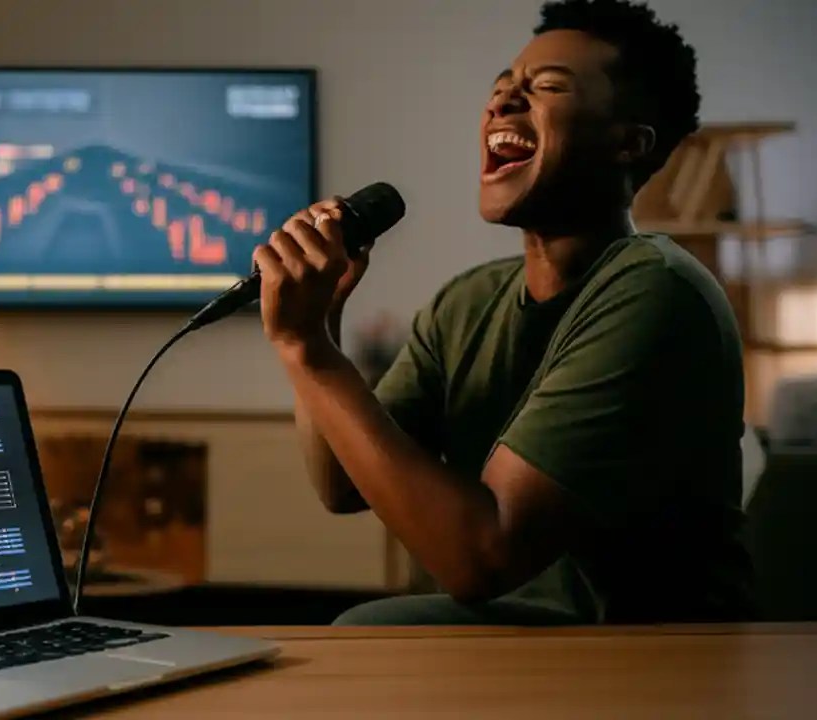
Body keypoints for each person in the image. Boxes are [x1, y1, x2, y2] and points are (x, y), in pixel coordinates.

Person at [255, 0, 752, 624]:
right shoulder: (467, 302)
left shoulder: (656, 291)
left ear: (628, 143)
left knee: (364, 630)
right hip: (530, 634)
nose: (503, 101)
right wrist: (319, 326)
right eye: (502, 85)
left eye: (547, 86)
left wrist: (308, 350)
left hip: (647, 649)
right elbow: (341, 486)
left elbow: (478, 559)